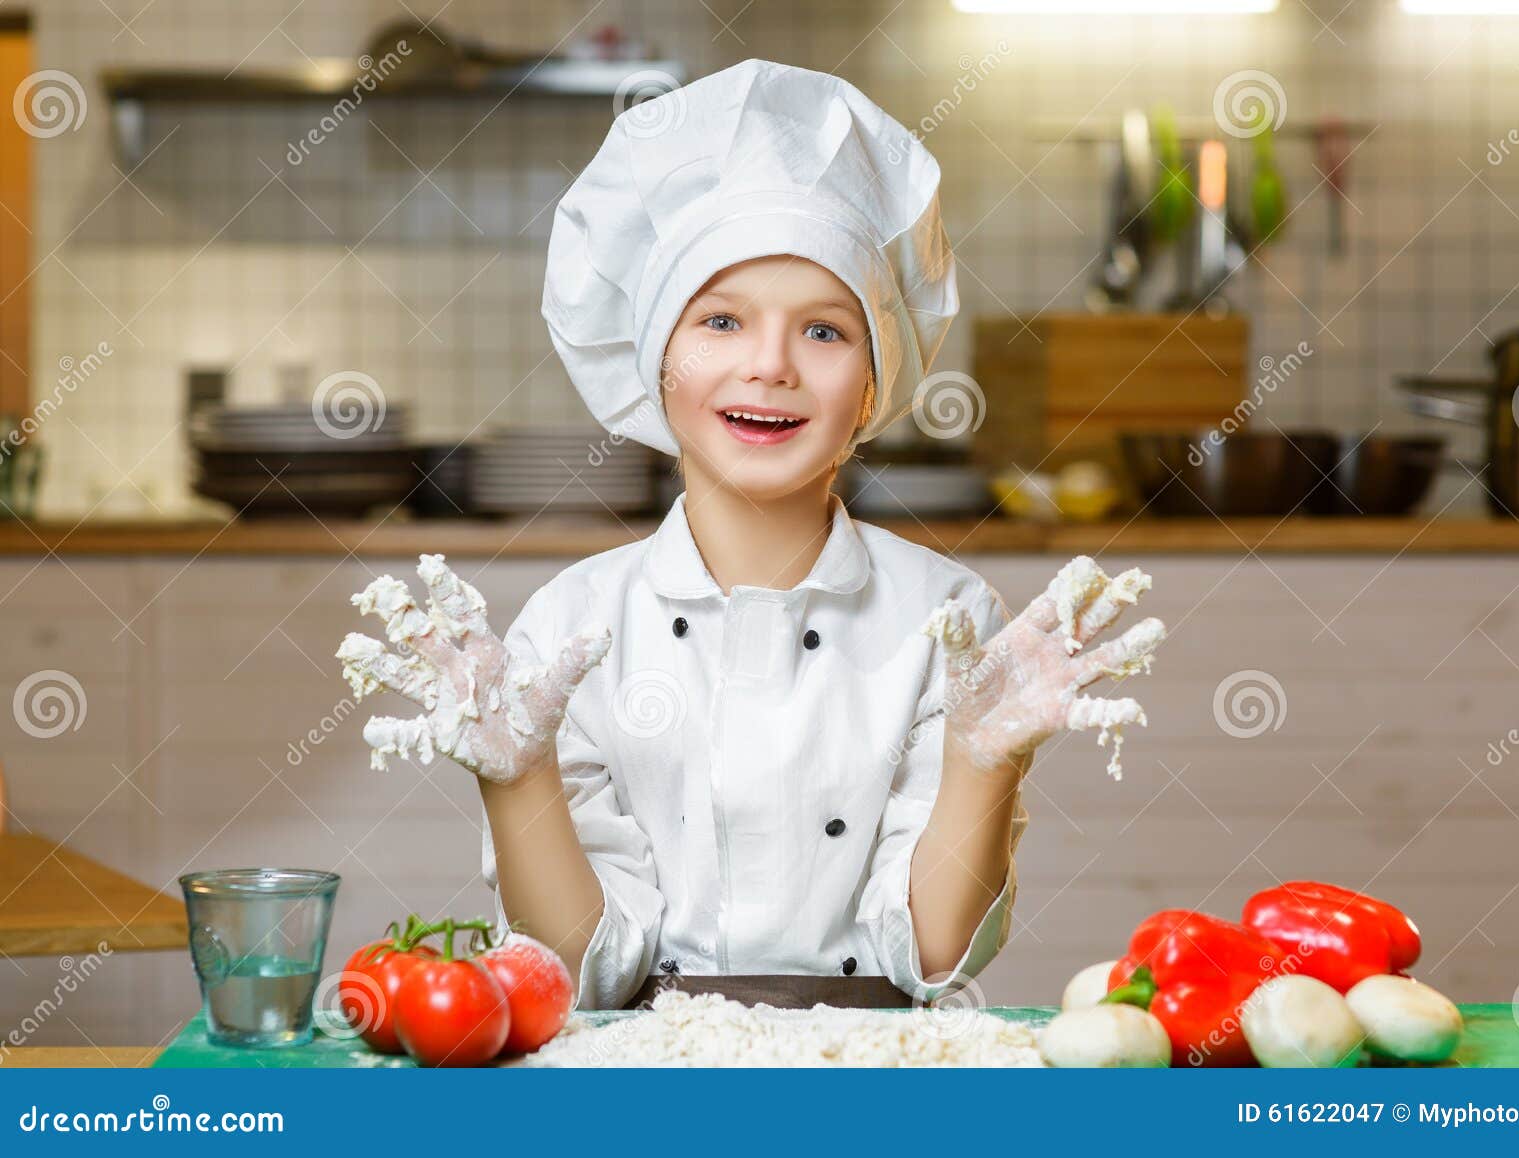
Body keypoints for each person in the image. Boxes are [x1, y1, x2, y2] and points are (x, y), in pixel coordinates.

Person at [337, 59, 1165, 1011]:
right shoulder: (574, 626)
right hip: (645, 1069)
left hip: (874, 1069)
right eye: (721, 321)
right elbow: (582, 973)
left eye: (822, 331)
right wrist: (516, 783)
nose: (769, 366)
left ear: (874, 382)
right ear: (655, 363)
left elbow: (934, 960)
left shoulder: (950, 619)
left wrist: (985, 767)